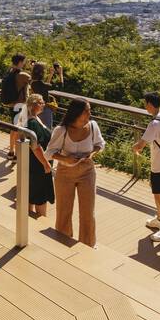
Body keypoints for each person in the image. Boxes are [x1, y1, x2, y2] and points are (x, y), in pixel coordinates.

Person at [46, 98, 105, 247]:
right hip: (65, 172)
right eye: (87, 110)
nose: (90, 113)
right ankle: (62, 242)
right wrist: (66, 158)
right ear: (77, 112)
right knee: (64, 211)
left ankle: (88, 244)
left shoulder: (92, 126)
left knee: (87, 212)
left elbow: (100, 144)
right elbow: (50, 153)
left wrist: (91, 155)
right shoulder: (62, 130)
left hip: (87, 172)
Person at [132, 91, 160, 243]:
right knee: (157, 193)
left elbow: (140, 145)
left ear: (150, 104)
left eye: (145, 104)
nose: (145, 106)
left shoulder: (154, 124)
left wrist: (134, 148)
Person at [23, 94, 55, 218]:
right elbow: (36, 146)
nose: (44, 104)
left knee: (31, 192)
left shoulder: (35, 118)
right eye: (41, 103)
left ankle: (28, 217)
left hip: (36, 162)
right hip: (38, 163)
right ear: (34, 105)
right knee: (40, 194)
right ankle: (41, 220)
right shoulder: (32, 122)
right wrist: (45, 164)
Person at [29, 61, 58, 130]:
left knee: (37, 130)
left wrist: (51, 74)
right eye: (44, 70)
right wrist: (60, 74)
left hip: (36, 108)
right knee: (46, 131)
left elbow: (45, 86)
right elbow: (58, 86)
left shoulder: (33, 82)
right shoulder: (40, 84)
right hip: (44, 110)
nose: (45, 72)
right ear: (41, 72)